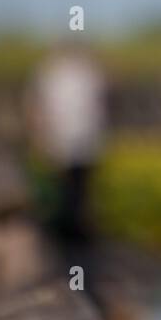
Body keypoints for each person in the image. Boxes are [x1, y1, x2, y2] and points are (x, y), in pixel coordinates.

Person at [28, 44, 106, 244]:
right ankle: (70, 230)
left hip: (76, 139)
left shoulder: (56, 73)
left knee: (71, 187)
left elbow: (38, 107)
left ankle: (71, 230)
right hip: (74, 139)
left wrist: (40, 136)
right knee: (73, 188)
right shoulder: (82, 72)